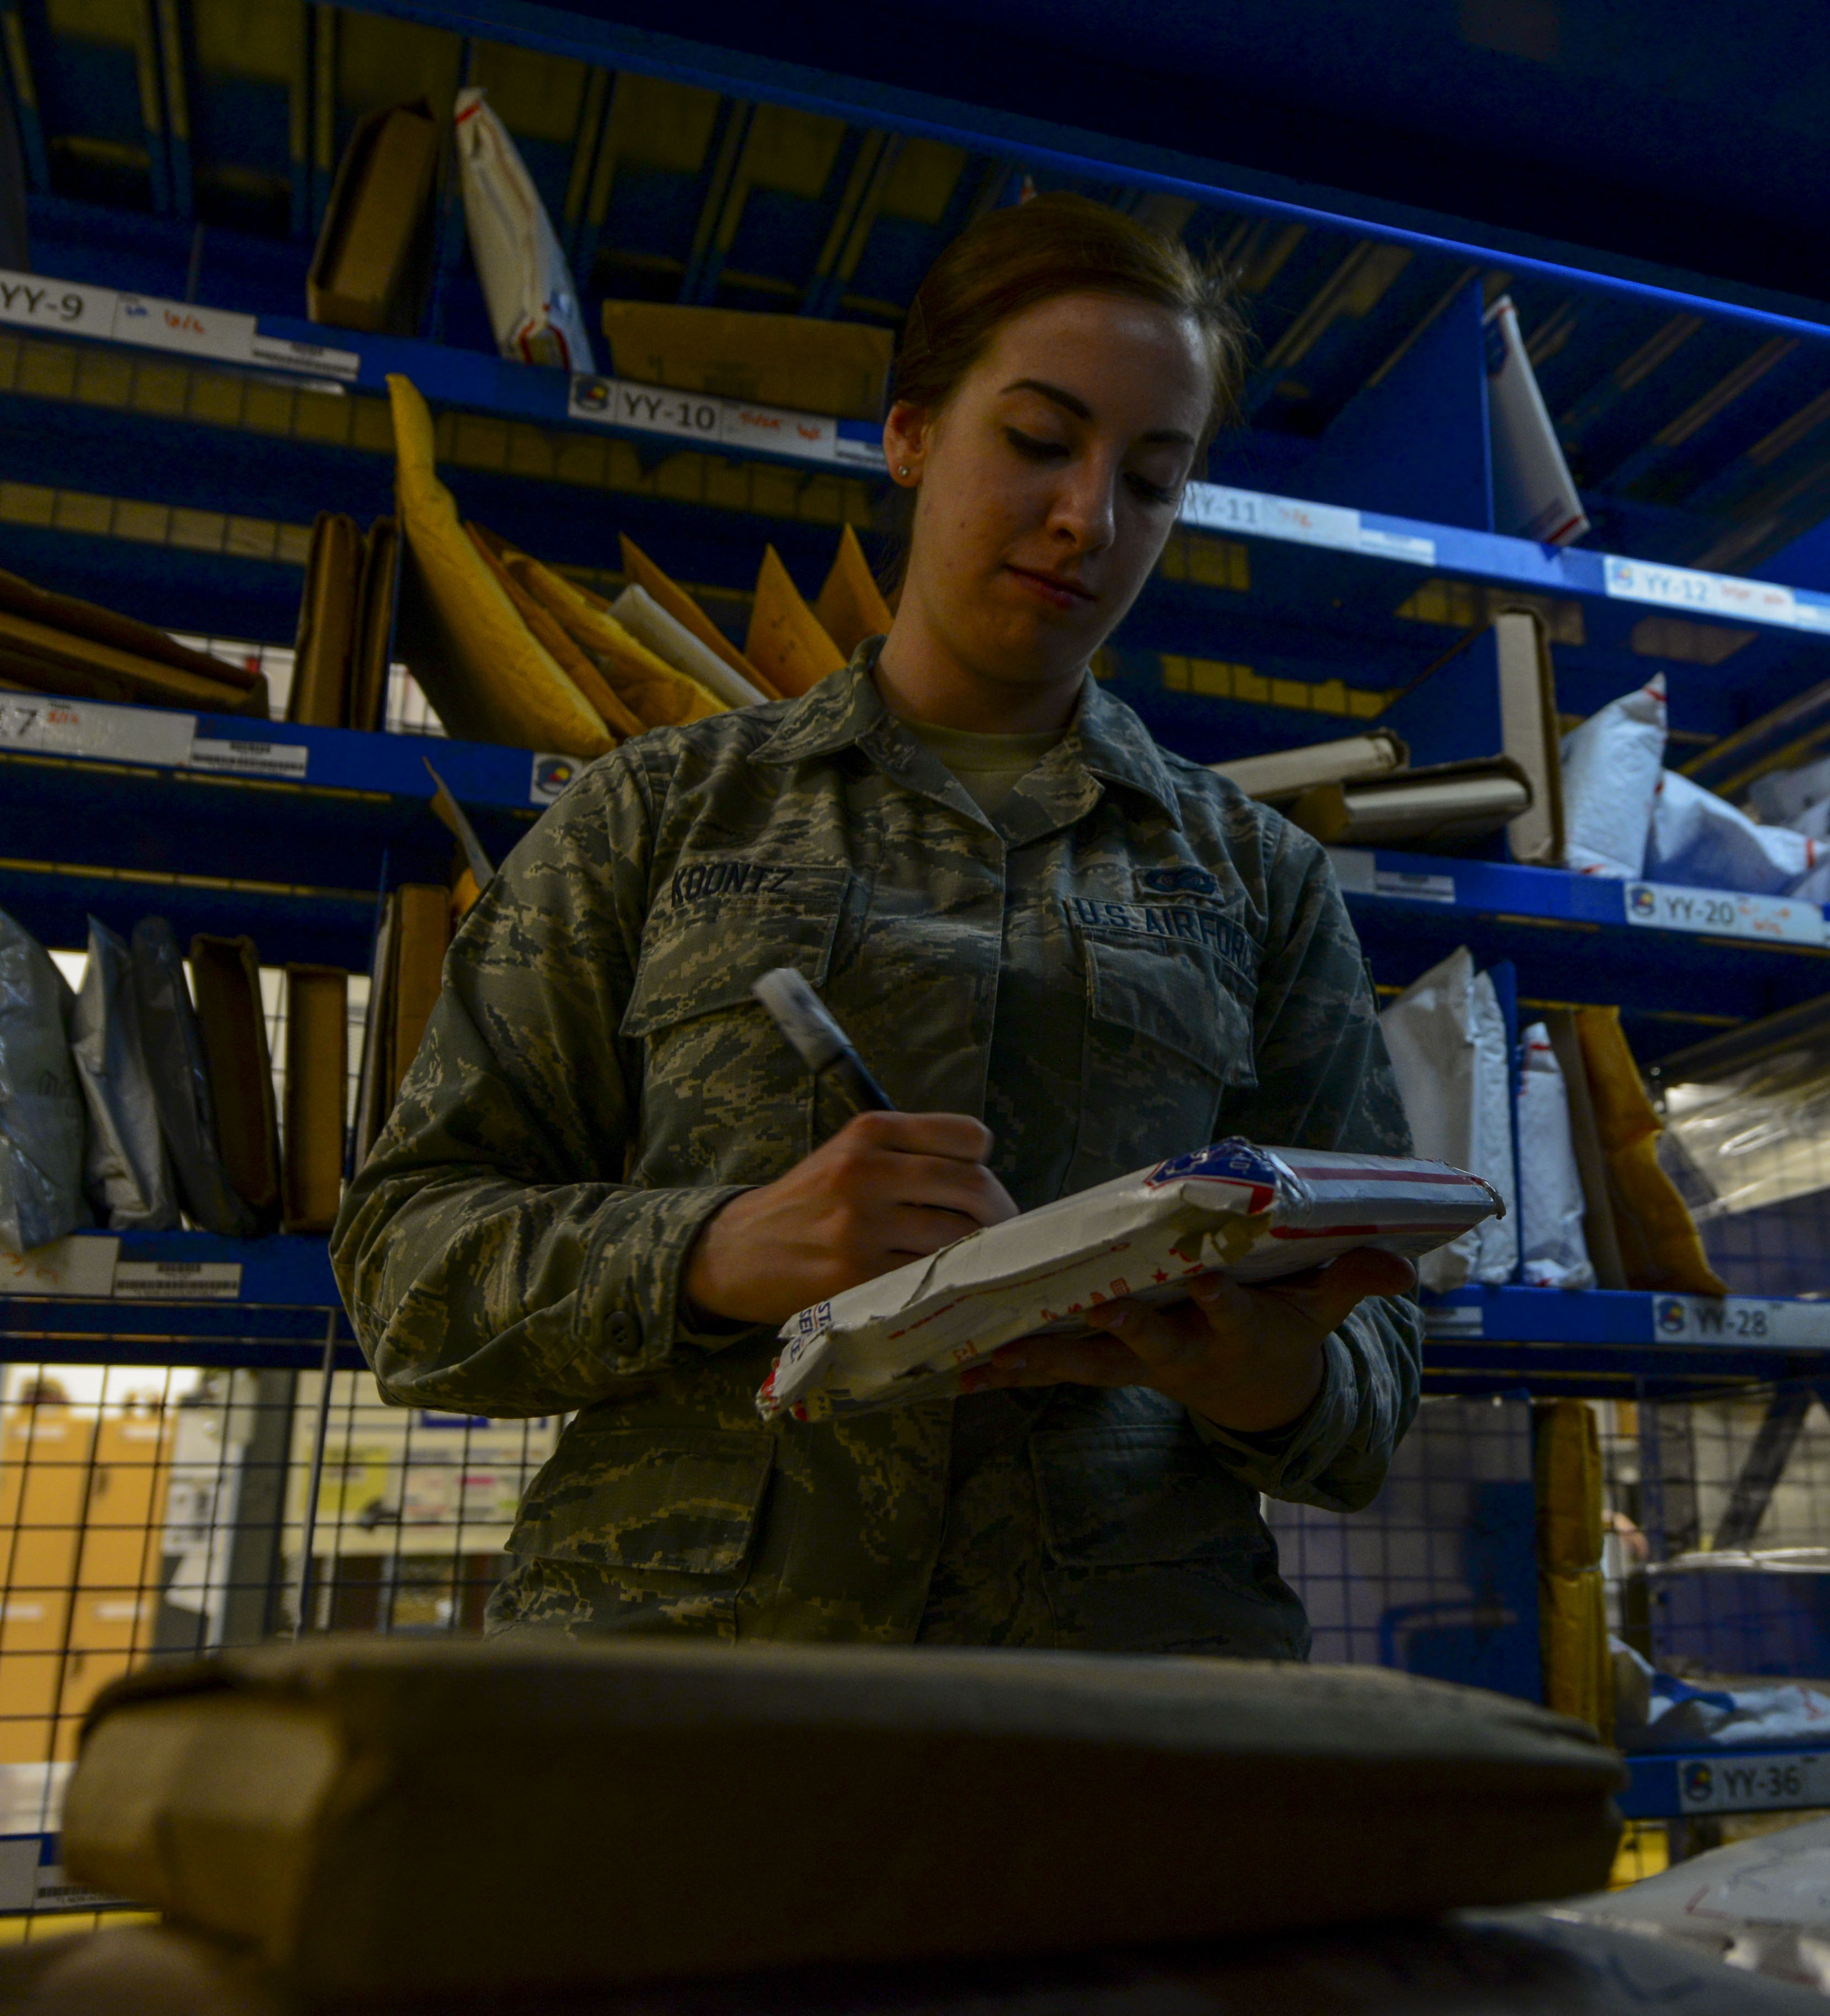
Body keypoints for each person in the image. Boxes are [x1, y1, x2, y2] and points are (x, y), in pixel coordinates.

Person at [332, 195, 1421, 1655]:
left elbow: (1376, 1371)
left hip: (1120, 1714)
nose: (1088, 519)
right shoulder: (655, 818)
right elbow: (405, 1267)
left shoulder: (1262, 882)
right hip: (694, 1706)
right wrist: (714, 1246)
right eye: (1039, 441)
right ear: (908, 434)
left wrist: (1275, 1377)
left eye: (1152, 480)